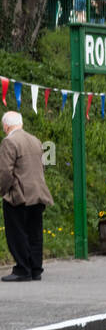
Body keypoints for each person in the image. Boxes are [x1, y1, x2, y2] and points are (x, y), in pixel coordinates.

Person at [0, 112, 54, 282]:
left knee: (17, 233)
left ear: (6, 127)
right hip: (38, 194)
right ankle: (36, 269)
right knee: (35, 232)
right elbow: (42, 167)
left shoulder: (9, 142)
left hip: (19, 195)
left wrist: (2, 191)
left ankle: (22, 269)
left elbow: (5, 172)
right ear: (21, 124)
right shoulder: (36, 140)